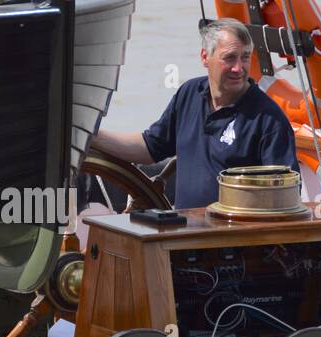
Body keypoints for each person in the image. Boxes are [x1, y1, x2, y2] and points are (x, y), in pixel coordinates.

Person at [89, 19, 298, 209]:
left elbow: (284, 195)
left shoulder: (269, 120)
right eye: (230, 58)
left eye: (245, 57)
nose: (239, 68)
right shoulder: (189, 94)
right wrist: (89, 134)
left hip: (236, 242)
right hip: (184, 236)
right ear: (205, 57)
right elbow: (149, 147)